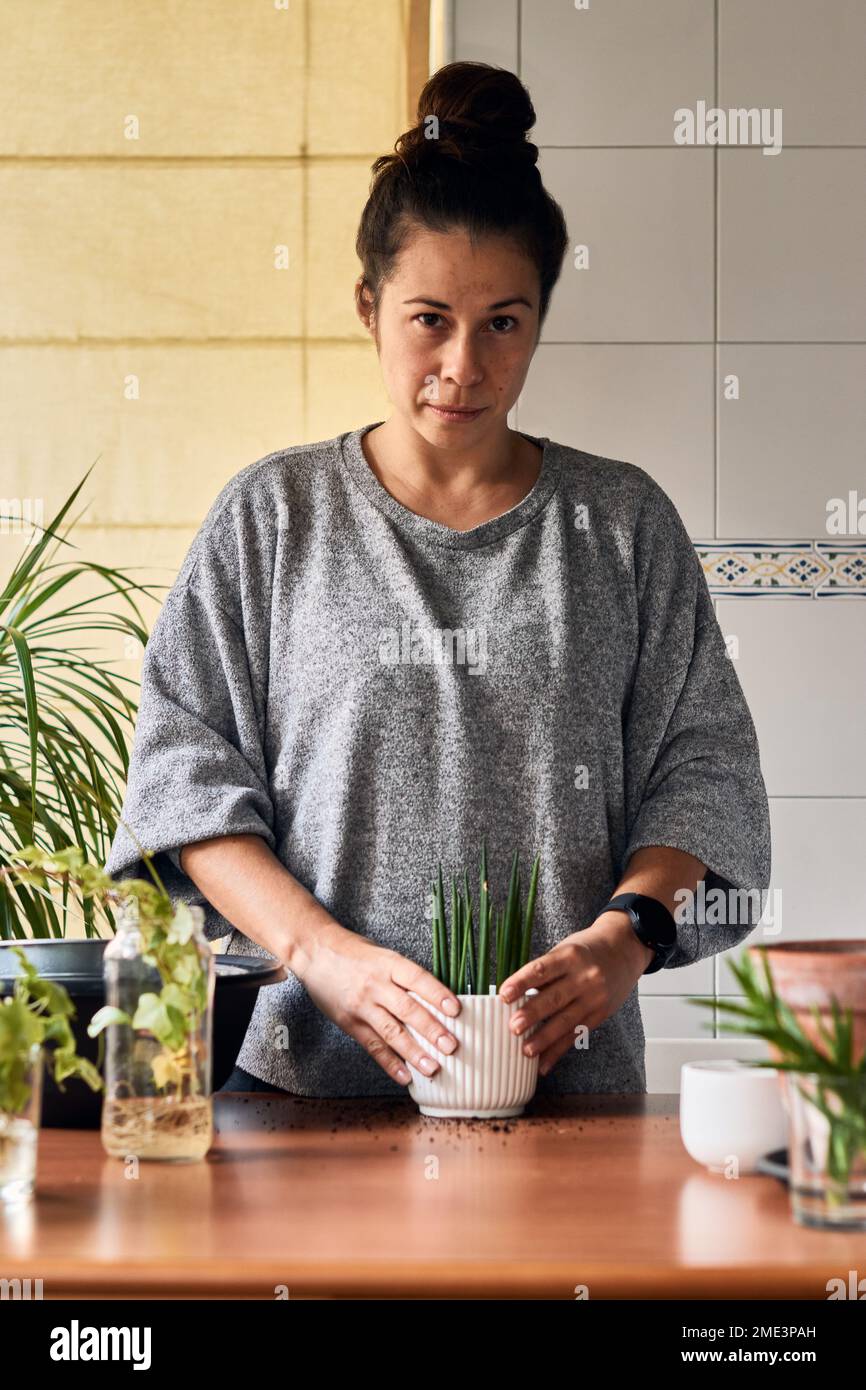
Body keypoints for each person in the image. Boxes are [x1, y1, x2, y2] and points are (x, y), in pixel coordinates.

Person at [105, 61, 771, 1098]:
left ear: (540, 318)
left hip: (564, 1102)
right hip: (299, 1101)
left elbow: (704, 780)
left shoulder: (622, 524)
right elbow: (183, 783)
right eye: (428, 319)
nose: (462, 365)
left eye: (502, 322)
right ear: (368, 305)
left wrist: (623, 938)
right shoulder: (273, 516)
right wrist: (321, 954)